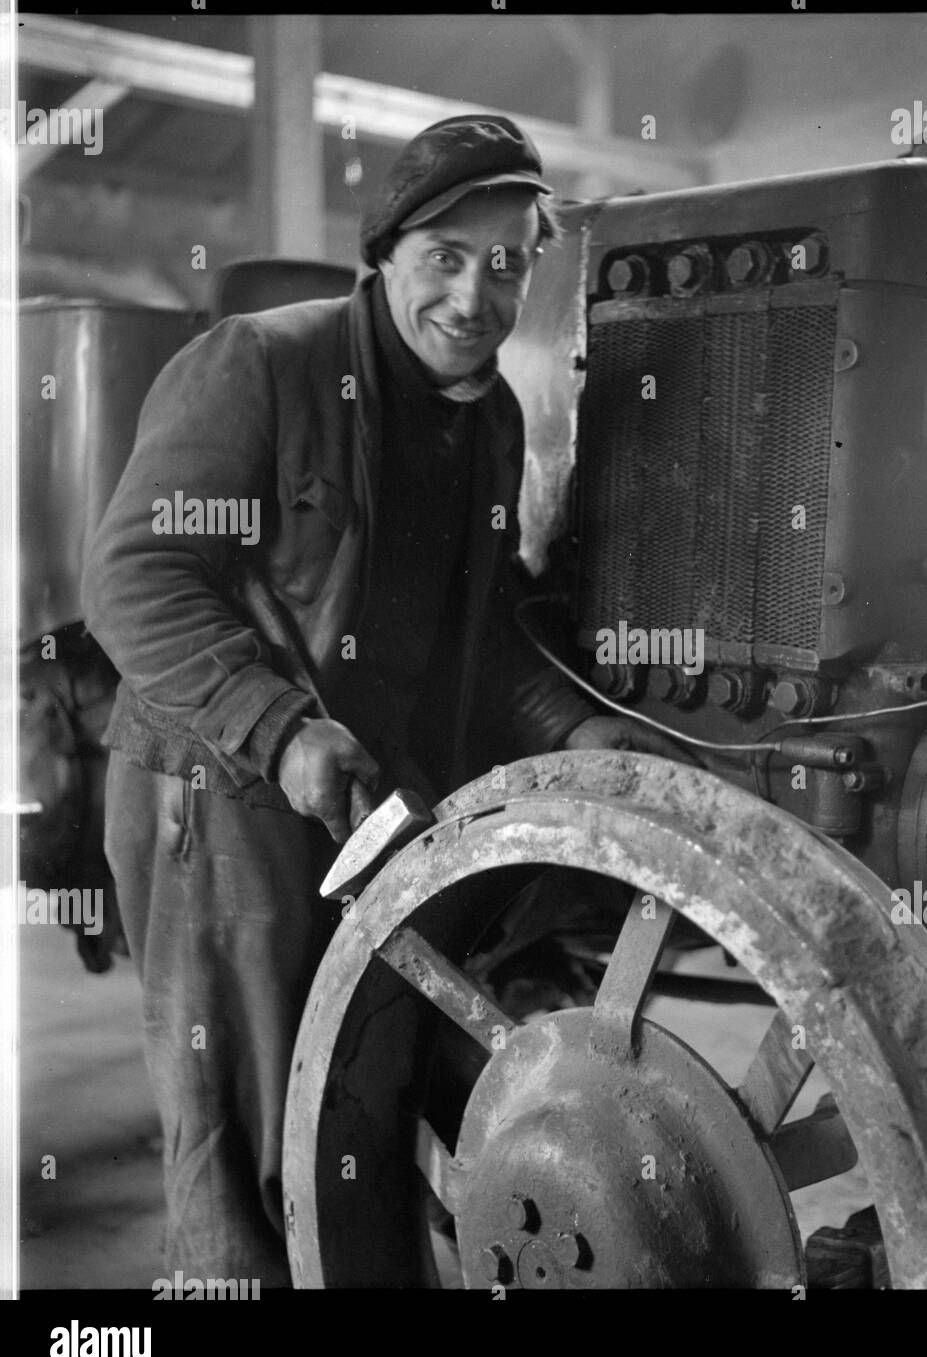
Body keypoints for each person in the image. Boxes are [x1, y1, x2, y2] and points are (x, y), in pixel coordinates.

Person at [83, 114, 677, 1286]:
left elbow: (487, 634)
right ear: (387, 254)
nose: (474, 295)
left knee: (353, 1109)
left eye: (506, 264)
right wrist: (280, 728)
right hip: (218, 797)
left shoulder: (490, 420)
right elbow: (131, 579)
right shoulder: (262, 363)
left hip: (364, 799)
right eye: (445, 259)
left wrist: (579, 730)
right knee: (244, 1146)